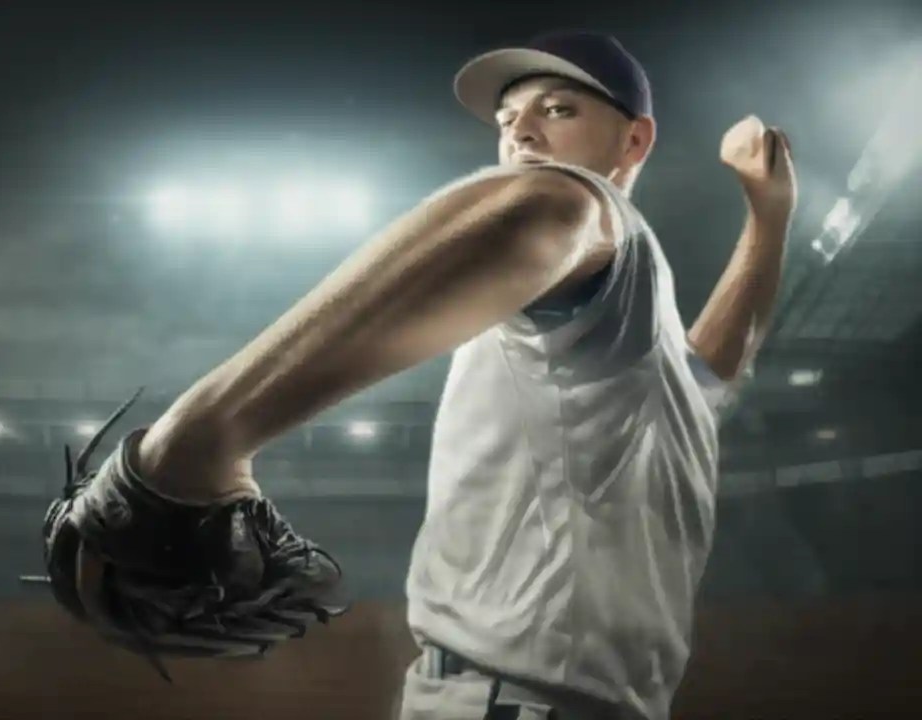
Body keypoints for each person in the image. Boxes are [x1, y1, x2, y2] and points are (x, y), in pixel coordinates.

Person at [125, 29, 796, 720]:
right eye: (508, 121)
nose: (522, 133)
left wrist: (769, 218)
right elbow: (549, 211)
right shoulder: (584, 229)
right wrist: (211, 430)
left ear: (635, 140)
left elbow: (710, 372)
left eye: (558, 110)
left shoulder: (624, 284)